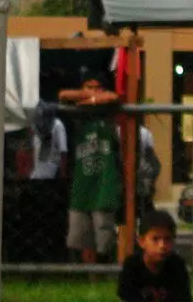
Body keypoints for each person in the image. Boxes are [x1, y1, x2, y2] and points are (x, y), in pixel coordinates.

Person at [59, 75, 122, 264]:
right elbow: (63, 94)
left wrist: (92, 100)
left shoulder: (108, 115)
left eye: (97, 87)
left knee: (104, 236)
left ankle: (106, 273)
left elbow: (112, 97)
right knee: (82, 237)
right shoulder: (78, 116)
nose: (93, 90)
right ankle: (91, 277)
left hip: (104, 185)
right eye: (88, 87)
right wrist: (86, 97)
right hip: (82, 185)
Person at [117, 210, 192, 302]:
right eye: (155, 239)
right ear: (141, 241)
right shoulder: (132, 266)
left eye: (167, 239)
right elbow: (126, 295)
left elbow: (183, 297)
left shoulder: (177, 265)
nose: (162, 246)